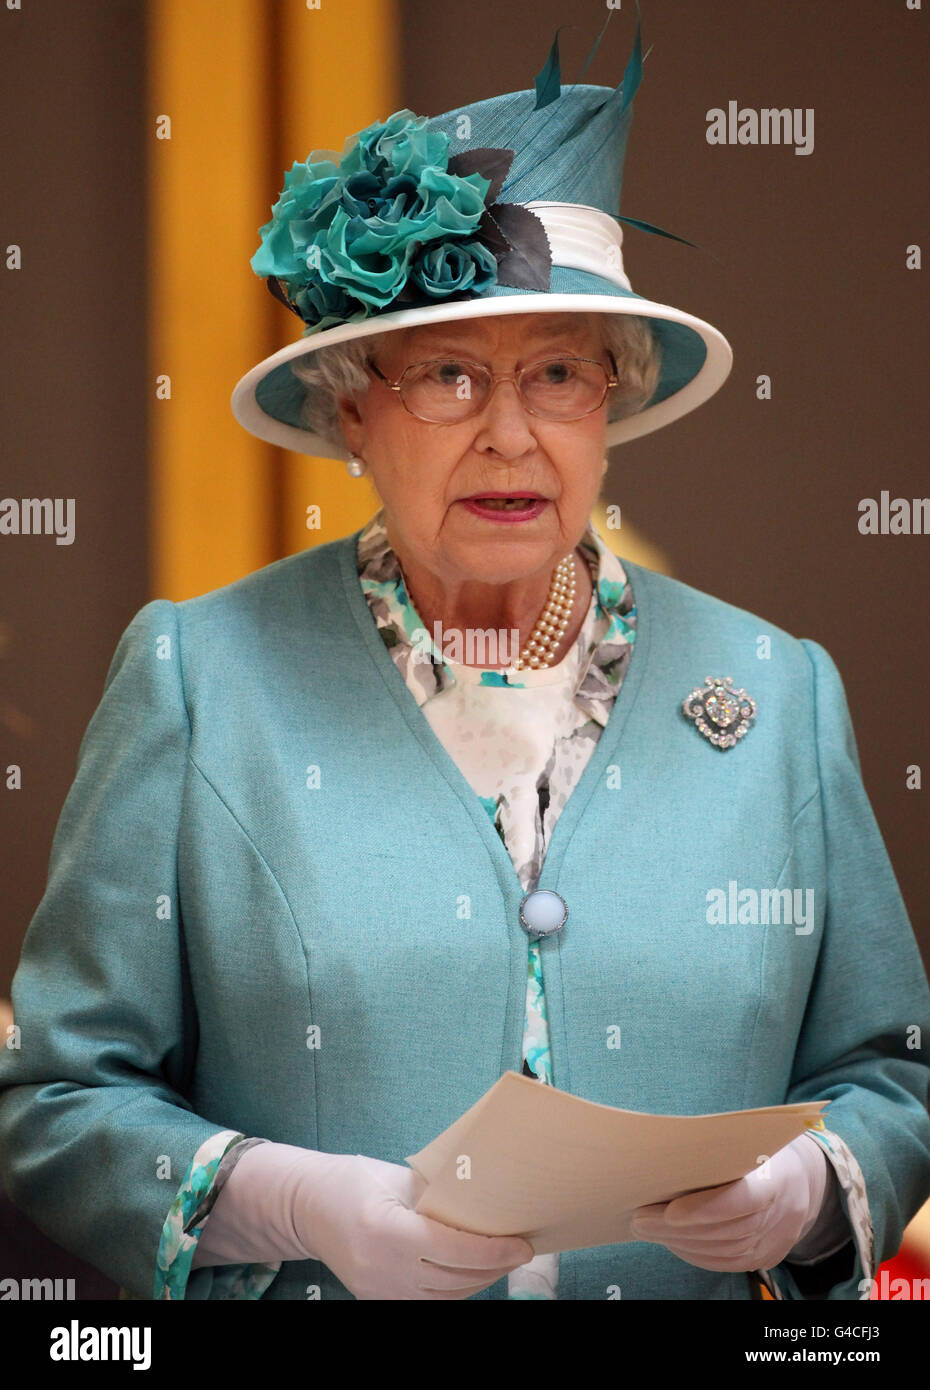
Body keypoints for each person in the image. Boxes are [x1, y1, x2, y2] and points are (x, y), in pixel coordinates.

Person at [1, 18, 928, 1302]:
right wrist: (282, 1203)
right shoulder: (198, 677)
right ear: (350, 409)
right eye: (446, 374)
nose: (509, 435)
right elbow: (56, 1100)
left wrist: (812, 1189)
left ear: (612, 406)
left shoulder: (780, 689)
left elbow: (889, 1071)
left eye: (559, 375)